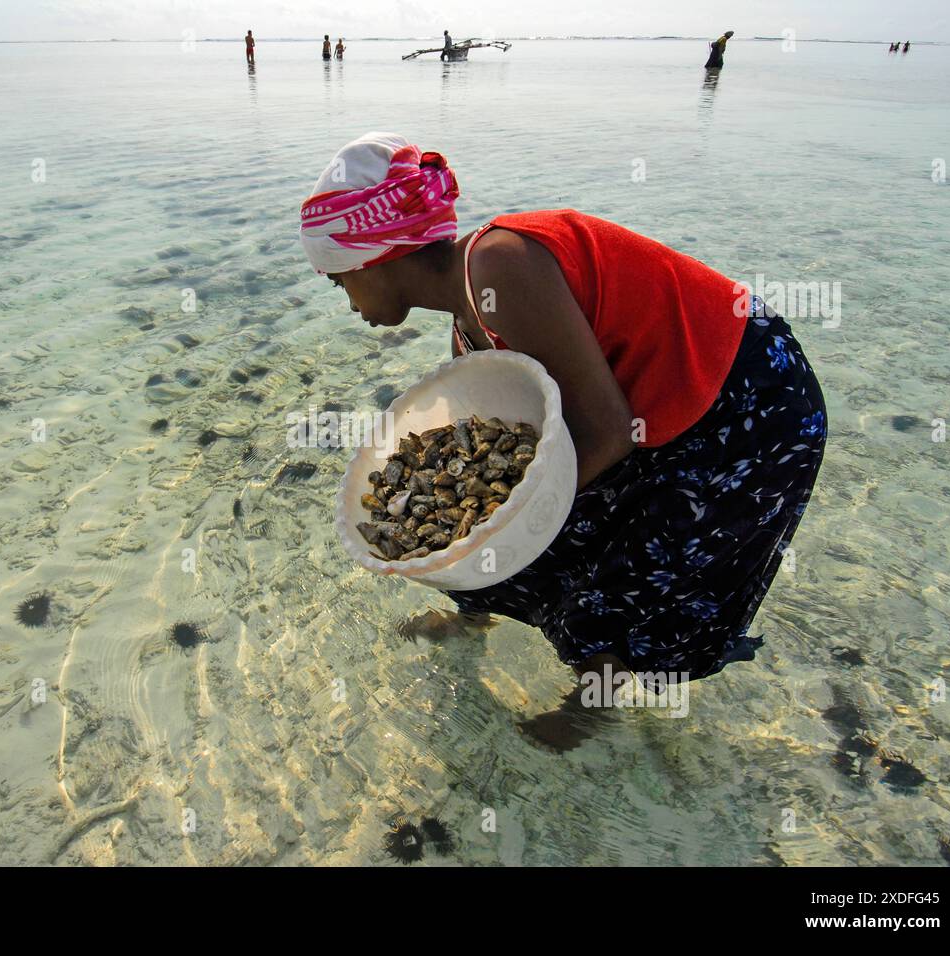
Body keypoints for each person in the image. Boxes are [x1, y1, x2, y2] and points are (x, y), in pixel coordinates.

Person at [299, 132, 827, 687]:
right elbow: (535, 442)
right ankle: (474, 625)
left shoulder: (500, 266)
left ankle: (595, 708)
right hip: (642, 410)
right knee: (507, 548)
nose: (350, 304)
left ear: (375, 257)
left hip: (747, 402)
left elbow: (606, 433)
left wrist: (496, 523)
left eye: (341, 284)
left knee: (632, 580)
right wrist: (479, 533)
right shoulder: (470, 332)